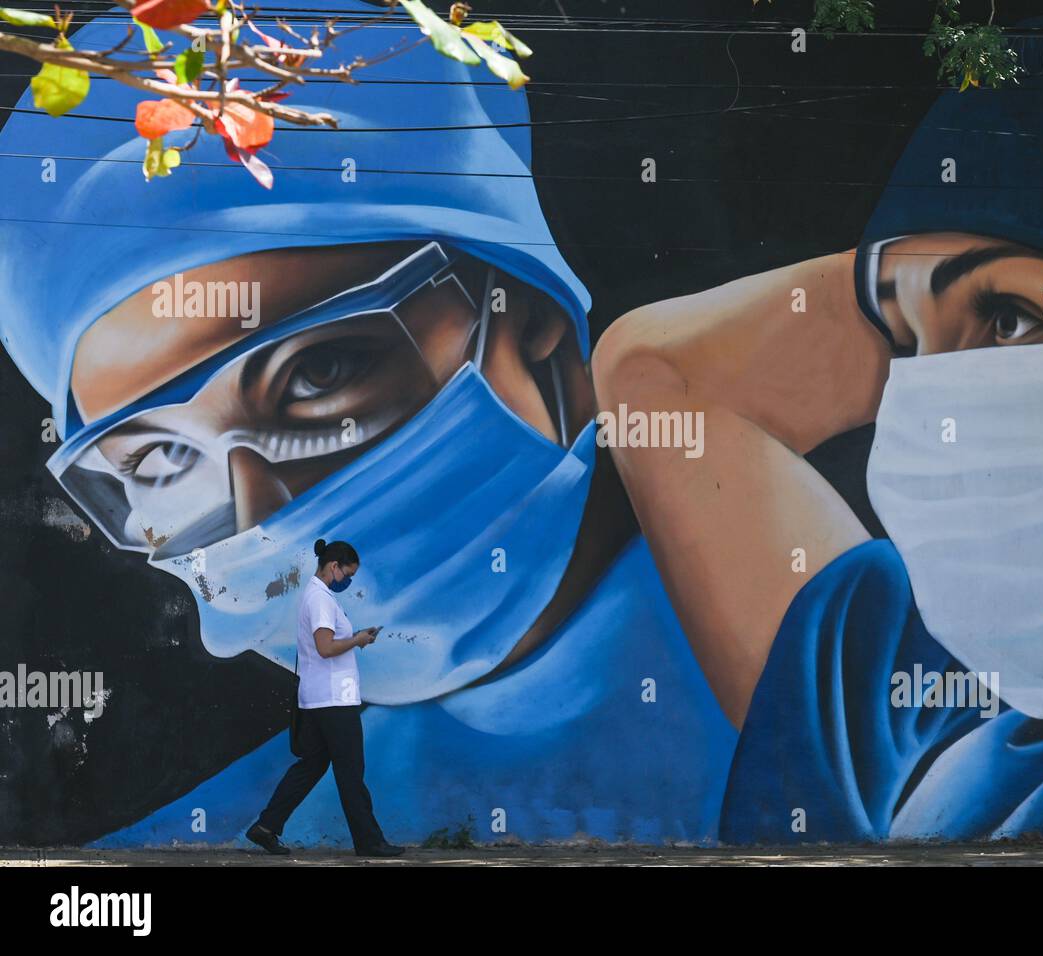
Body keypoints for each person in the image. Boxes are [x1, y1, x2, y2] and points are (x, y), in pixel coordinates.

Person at [0, 0, 737, 847]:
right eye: (162, 461)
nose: (266, 510)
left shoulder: (827, 649)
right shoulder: (165, 853)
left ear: (533, 325)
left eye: (319, 371)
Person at [593, 19, 1043, 841]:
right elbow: (652, 376)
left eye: (1011, 319)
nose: (937, 401)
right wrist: (933, 269)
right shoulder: (916, 716)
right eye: (903, 342)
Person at [245, 539, 402, 857]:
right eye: (349, 574)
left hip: (319, 697)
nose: (349, 580)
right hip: (333, 700)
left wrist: (354, 638)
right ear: (334, 567)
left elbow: (326, 644)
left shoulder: (319, 597)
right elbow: (326, 647)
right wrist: (357, 639)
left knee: (312, 765)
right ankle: (370, 842)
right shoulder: (319, 600)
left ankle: (266, 826)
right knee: (350, 770)